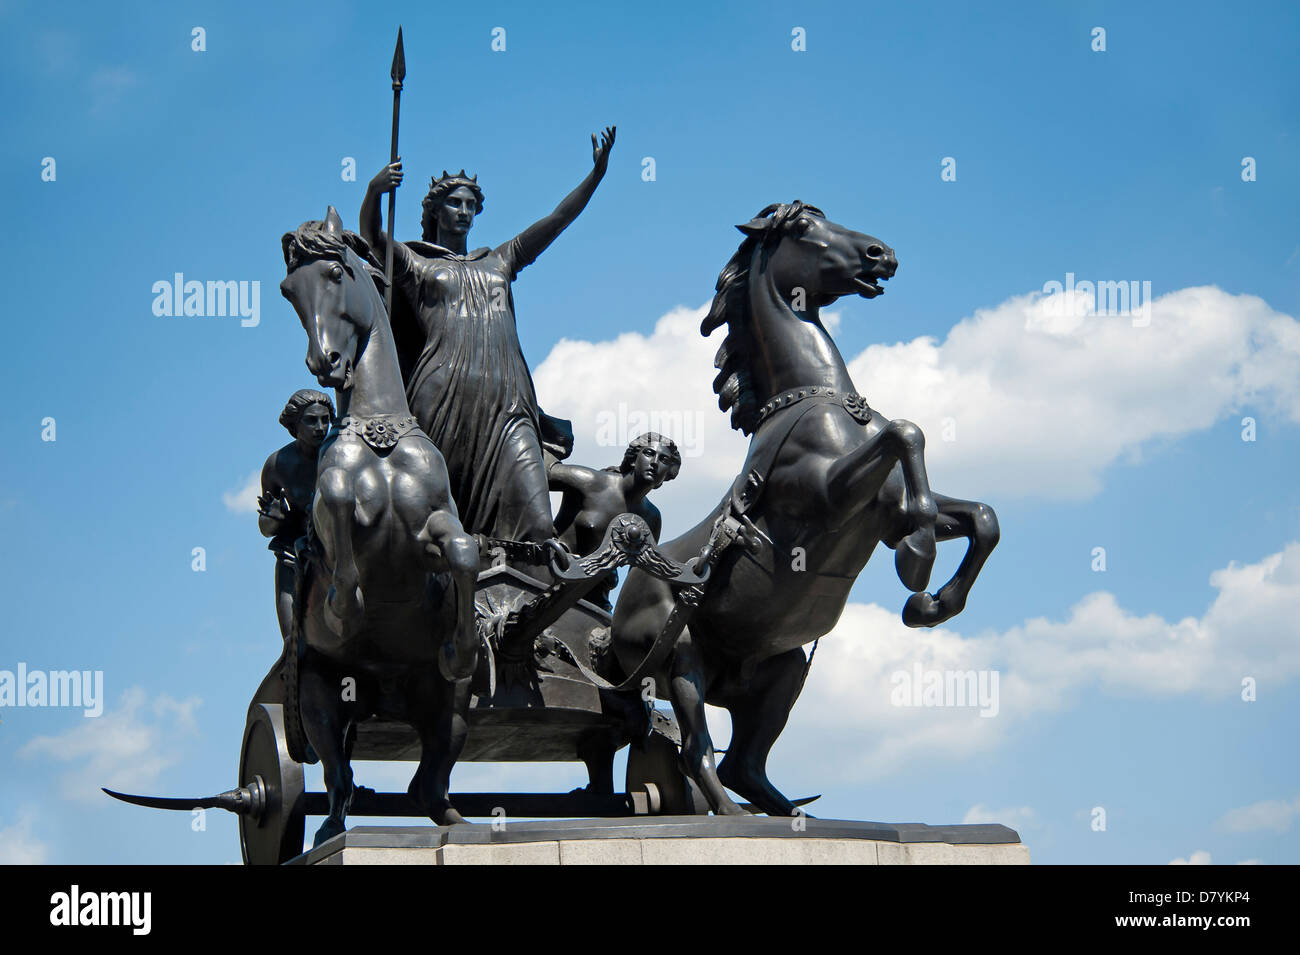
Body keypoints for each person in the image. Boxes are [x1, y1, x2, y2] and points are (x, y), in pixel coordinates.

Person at [358, 127, 615, 546]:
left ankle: (529, 591)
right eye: (454, 203)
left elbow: (556, 220)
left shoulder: (500, 260)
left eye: (471, 205)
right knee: (437, 514)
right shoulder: (418, 266)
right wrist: (373, 192)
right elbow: (374, 238)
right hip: (443, 398)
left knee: (536, 519)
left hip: (508, 400)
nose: (463, 211)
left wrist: (595, 175)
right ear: (435, 211)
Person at [548, 432, 682, 609]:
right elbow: (537, 471)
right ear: (634, 459)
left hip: (595, 602)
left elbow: (637, 578)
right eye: (649, 453)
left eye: (664, 459)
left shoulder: (651, 517)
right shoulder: (590, 482)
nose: (655, 462)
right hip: (548, 582)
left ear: (667, 475)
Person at [256, 389, 334, 642]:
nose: (320, 427)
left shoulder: (340, 454)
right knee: (287, 560)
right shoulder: (277, 465)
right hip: (297, 548)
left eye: (325, 419)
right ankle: (292, 646)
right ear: (294, 425)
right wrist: (274, 518)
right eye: (311, 420)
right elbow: (266, 528)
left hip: (339, 541)